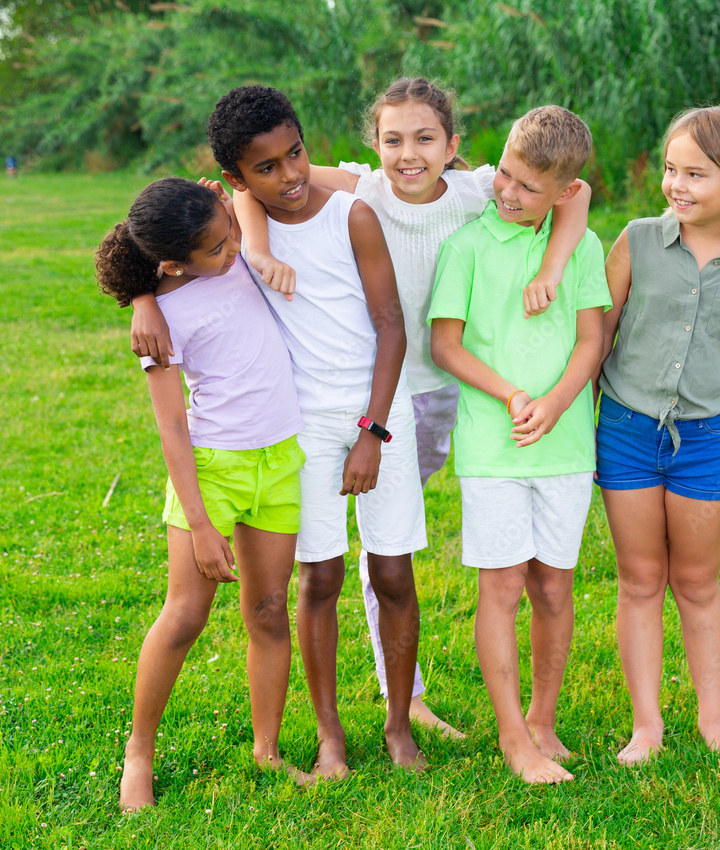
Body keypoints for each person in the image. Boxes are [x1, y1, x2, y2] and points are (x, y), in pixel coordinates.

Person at [132, 77, 591, 737]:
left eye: (426, 138)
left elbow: (573, 191)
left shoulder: (471, 191)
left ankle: (402, 711)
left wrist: (552, 265)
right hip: (339, 406)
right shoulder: (355, 189)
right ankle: (394, 702)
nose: (409, 153)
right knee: (343, 567)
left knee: (393, 552)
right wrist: (153, 292)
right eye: (394, 140)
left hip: (442, 393)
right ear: (372, 148)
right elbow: (191, 216)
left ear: (453, 145)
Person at [206, 84, 426, 777]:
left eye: (295, 154)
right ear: (237, 180)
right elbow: (154, 233)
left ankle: (398, 725)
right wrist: (145, 300)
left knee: (392, 572)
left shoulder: (352, 216)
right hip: (300, 428)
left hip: (378, 417)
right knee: (321, 577)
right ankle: (329, 733)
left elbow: (392, 326)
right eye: (265, 168)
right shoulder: (237, 235)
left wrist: (373, 430)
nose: (291, 175)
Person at [95, 177, 311, 811]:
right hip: (213, 471)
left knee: (270, 609)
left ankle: (266, 751)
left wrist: (228, 220)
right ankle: (139, 751)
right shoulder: (161, 322)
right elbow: (169, 429)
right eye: (218, 248)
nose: (234, 247)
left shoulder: (233, 240)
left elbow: (235, 192)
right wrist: (202, 524)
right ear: (172, 264)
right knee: (186, 615)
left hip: (280, 460)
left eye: (230, 232)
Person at [595, 105, 720, 765]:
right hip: (626, 429)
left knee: (699, 583)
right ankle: (646, 726)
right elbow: (599, 335)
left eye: (696, 174)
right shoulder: (638, 241)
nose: (676, 185)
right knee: (640, 577)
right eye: (672, 170)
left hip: (707, 439)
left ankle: (714, 721)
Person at [429, 106, 611, 784]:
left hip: (565, 447)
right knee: (502, 585)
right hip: (493, 447)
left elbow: (592, 340)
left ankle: (543, 720)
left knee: (555, 588)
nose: (507, 191)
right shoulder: (468, 245)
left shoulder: (583, 247)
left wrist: (559, 403)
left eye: (527, 187)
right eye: (504, 173)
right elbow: (445, 344)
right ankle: (513, 740)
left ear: (563, 194)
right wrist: (510, 395)